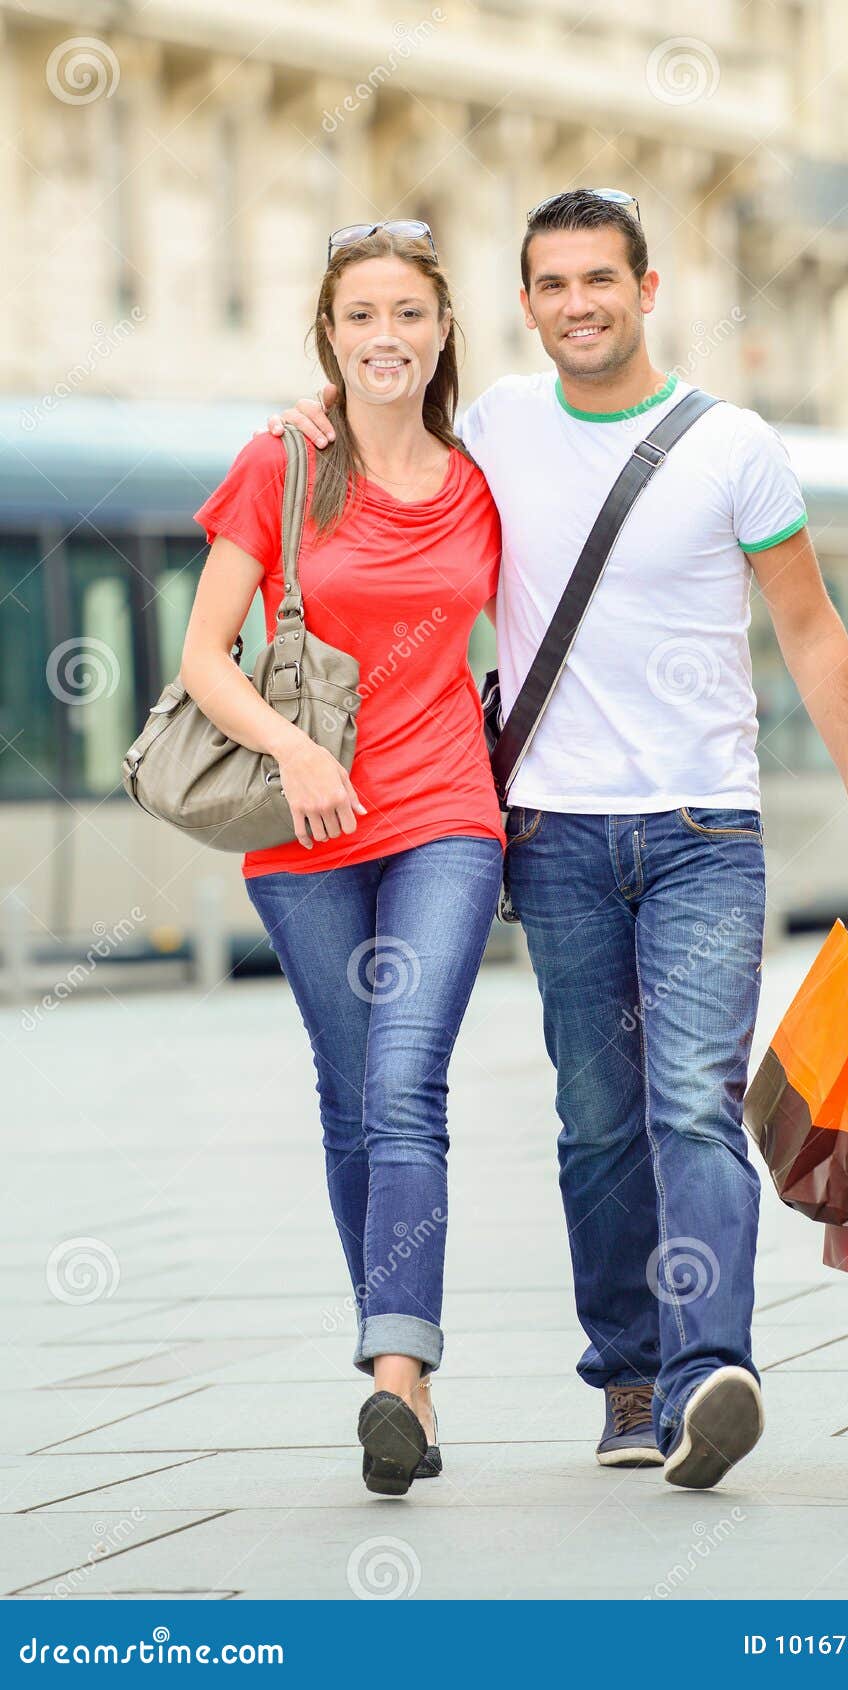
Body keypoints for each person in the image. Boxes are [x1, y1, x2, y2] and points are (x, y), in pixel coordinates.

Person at [269, 188, 848, 1490]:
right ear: (524, 305)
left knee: (693, 1098)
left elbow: (810, 630)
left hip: (705, 831)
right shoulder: (500, 423)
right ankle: (627, 1369)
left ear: (648, 287)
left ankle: (709, 1369)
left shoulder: (735, 444)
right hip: (553, 834)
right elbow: (383, 437)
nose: (579, 304)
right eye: (554, 285)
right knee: (597, 1117)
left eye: (601, 281)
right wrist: (311, 423)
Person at [182, 224, 506, 1496]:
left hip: (444, 818)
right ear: (331, 334)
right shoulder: (281, 463)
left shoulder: (484, 481)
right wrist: (296, 755)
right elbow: (206, 654)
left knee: (405, 1081)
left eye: (409, 314)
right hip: (305, 830)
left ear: (439, 331)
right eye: (361, 315)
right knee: (348, 1094)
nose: (386, 337)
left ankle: (396, 1369)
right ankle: (406, 1387)